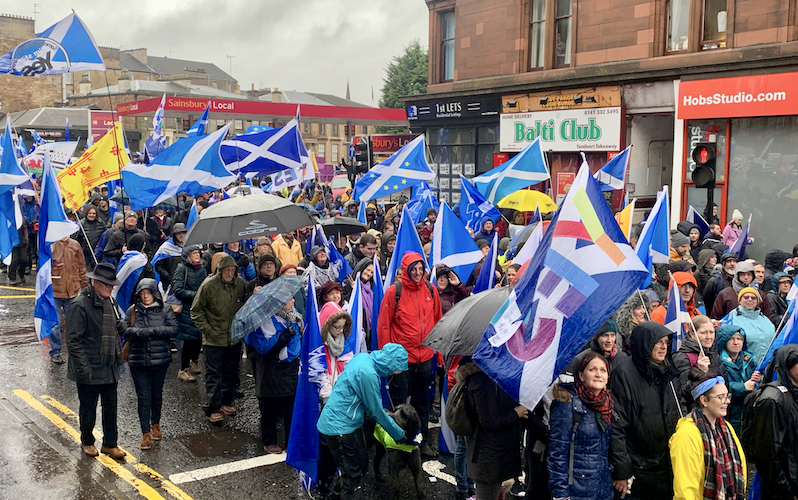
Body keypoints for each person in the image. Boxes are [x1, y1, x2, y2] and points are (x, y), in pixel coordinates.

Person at [317, 343, 409, 500]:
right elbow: (376, 412)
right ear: (390, 365)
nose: (393, 374)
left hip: (344, 421)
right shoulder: (368, 374)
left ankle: (334, 497)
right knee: (352, 475)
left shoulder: (362, 358)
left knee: (360, 463)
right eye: (395, 371)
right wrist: (399, 434)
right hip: (340, 427)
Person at [378, 252, 442, 456]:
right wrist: (388, 361)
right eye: (413, 269)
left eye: (420, 269)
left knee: (423, 403)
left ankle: (421, 441)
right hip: (401, 360)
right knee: (398, 404)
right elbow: (383, 326)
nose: (417, 273)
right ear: (406, 270)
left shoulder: (431, 290)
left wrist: (439, 353)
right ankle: (396, 442)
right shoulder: (394, 292)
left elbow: (438, 321)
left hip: (425, 357)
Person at [609, 322, 682, 500]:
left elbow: (679, 408)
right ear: (645, 343)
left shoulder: (668, 372)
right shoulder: (624, 374)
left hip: (667, 465)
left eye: (666, 342)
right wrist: (622, 470)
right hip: (638, 469)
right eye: (658, 342)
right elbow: (616, 426)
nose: (664, 347)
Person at [65, 263, 126, 459]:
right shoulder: (80, 305)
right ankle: (87, 441)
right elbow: (73, 341)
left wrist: (128, 328)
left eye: (112, 284)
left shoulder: (111, 302)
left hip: (109, 365)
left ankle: (110, 444)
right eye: (107, 284)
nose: (111, 288)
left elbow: (117, 325)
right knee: (88, 409)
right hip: (89, 367)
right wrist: (84, 370)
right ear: (96, 282)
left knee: (111, 408)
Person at [669, 370, 746, 500]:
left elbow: (741, 467)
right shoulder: (686, 435)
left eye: (727, 396)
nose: (727, 401)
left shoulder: (726, 428)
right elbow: (685, 490)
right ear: (704, 400)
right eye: (721, 397)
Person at [548, 352, 614, 500]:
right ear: (581, 375)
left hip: (602, 489)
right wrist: (560, 493)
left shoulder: (607, 404)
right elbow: (557, 452)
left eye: (603, 370)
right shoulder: (567, 403)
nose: (598, 375)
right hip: (576, 490)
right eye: (592, 370)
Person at [121, 278, 178, 450]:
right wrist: (139, 333)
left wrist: (152, 331)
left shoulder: (165, 309)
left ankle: (156, 424)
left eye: (148, 293)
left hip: (160, 360)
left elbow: (173, 329)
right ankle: (145, 432)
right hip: (138, 361)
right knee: (143, 397)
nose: (145, 296)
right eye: (142, 293)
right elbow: (125, 331)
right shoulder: (133, 311)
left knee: (156, 395)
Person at [191, 254, 246, 423]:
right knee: (214, 374)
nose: (229, 273)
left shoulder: (240, 284)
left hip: (234, 338)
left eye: (232, 270)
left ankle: (226, 402)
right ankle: (212, 408)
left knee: (232, 371)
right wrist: (208, 330)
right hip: (214, 339)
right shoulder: (208, 286)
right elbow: (196, 311)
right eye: (226, 270)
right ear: (220, 270)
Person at [244, 295, 302, 454]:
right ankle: (269, 440)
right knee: (269, 406)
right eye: (289, 299)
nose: (293, 301)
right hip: (270, 369)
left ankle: (291, 440)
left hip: (290, 368)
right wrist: (283, 337)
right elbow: (262, 346)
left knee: (290, 405)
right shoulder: (262, 321)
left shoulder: (293, 316)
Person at [741, 345, 798, 498]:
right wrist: (786, 492)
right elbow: (766, 455)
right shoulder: (772, 399)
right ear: (788, 366)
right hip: (783, 488)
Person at [466, 362, 526, 500]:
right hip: (488, 456)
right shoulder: (484, 380)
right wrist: (516, 413)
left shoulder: (493, 377)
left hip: (496, 453)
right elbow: (489, 420)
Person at [51, 235, 90, 364]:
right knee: (54, 324)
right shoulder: (51, 245)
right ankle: (55, 351)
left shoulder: (75, 244)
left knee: (75, 324)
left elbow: (82, 266)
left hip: (72, 290)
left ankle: (75, 350)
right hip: (55, 291)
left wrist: (85, 285)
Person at [172, 244, 206, 382]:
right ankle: (183, 369)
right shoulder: (182, 268)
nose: (197, 255)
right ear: (188, 256)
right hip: (186, 308)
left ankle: (194, 361)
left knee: (198, 337)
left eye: (198, 253)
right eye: (194, 253)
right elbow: (178, 290)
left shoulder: (202, 268)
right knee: (188, 339)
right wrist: (197, 295)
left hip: (199, 307)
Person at [715, 324, 759, 429]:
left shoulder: (749, 359)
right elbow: (717, 385)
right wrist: (742, 387)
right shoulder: (717, 361)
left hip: (747, 410)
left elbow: (760, 380)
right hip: (728, 410)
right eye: (731, 339)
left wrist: (757, 380)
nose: (736, 342)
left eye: (739, 339)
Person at [725, 287, 776, 365]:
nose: (750, 300)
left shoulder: (765, 319)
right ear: (740, 300)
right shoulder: (731, 318)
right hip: (744, 367)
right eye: (746, 297)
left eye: (753, 298)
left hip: (767, 366)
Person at [672, 315, 724, 390]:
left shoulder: (713, 352)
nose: (708, 337)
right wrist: (701, 372)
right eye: (703, 333)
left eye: (711, 332)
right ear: (692, 334)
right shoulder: (682, 356)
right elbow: (684, 390)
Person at [342, 258, 377, 343]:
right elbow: (343, 302)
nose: (369, 274)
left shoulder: (371, 287)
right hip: (353, 324)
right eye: (367, 270)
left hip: (366, 326)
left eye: (372, 272)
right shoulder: (348, 282)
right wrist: (353, 291)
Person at [153, 223, 187, 289]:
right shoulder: (166, 248)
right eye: (178, 233)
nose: (181, 235)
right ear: (174, 235)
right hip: (170, 283)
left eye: (183, 233)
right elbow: (158, 266)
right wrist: (169, 277)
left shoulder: (189, 247)